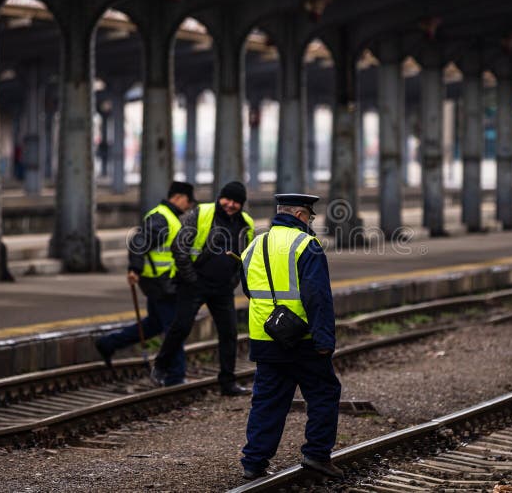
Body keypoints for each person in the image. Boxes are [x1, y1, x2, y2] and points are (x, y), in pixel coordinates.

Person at [239, 193, 343, 480]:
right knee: (323, 393)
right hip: (302, 339)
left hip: (265, 337)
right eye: (309, 217)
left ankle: (254, 461)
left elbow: (248, 289)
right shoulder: (306, 245)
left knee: (267, 400)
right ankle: (317, 455)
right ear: (299, 215)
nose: (310, 222)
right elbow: (318, 297)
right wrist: (324, 340)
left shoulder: (254, 245)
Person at [150, 181, 254, 396]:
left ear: (242, 204)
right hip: (195, 284)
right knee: (181, 326)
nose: (231, 205)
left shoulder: (246, 224)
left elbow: (246, 257)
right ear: (220, 197)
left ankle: (228, 382)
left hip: (223, 288)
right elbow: (179, 245)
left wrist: (234, 280)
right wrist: (191, 278)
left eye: (236, 202)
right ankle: (160, 367)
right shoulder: (202, 213)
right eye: (228, 199)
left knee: (229, 333)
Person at [94, 181, 195, 386]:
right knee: (174, 328)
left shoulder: (168, 217)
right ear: (178, 197)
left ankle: (108, 343)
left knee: (154, 325)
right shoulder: (161, 219)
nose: (189, 206)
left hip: (161, 282)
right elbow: (139, 243)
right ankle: (175, 376)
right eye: (188, 201)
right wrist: (135, 269)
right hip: (161, 283)